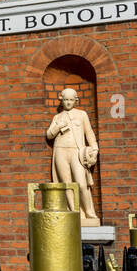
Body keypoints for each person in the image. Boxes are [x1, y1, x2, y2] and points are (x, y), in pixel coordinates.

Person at [45, 88, 100, 223]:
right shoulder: (57, 117)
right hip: (60, 151)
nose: (68, 103)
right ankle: (76, 212)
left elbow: (89, 132)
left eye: (71, 100)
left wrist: (94, 147)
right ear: (61, 100)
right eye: (66, 100)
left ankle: (89, 212)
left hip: (76, 151)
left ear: (75, 100)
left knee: (81, 184)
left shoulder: (82, 114)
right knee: (67, 184)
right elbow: (49, 134)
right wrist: (58, 126)